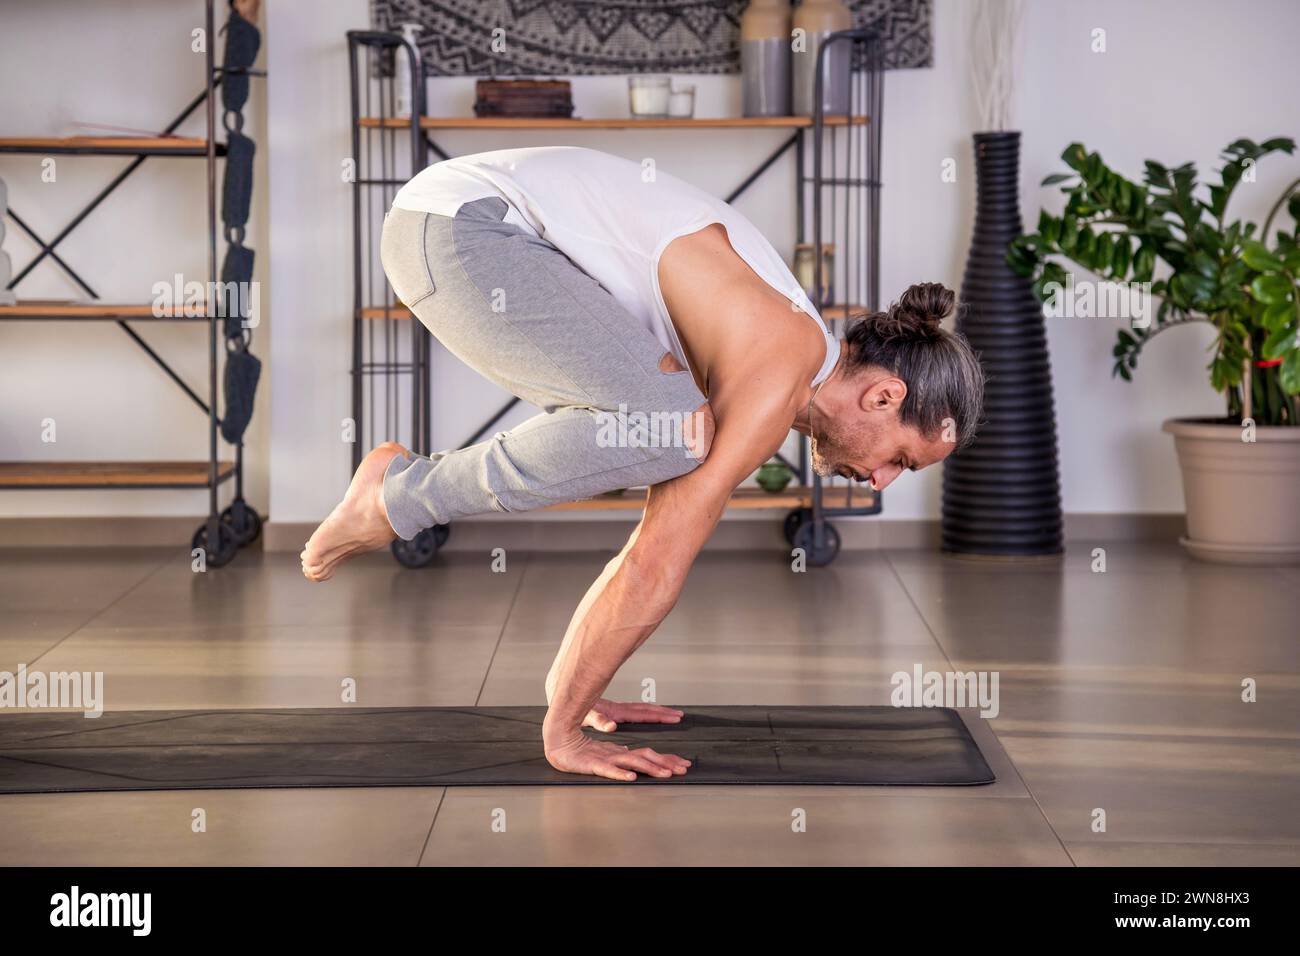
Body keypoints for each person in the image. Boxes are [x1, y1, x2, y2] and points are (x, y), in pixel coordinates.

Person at [301, 146, 984, 781]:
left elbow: (644, 544)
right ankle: (395, 497)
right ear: (884, 394)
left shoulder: (783, 347)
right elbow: (656, 561)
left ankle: (398, 494)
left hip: (452, 226)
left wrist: (579, 689)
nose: (883, 480)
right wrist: (563, 733)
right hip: (462, 229)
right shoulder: (781, 361)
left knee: (672, 429)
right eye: (901, 458)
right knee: (675, 434)